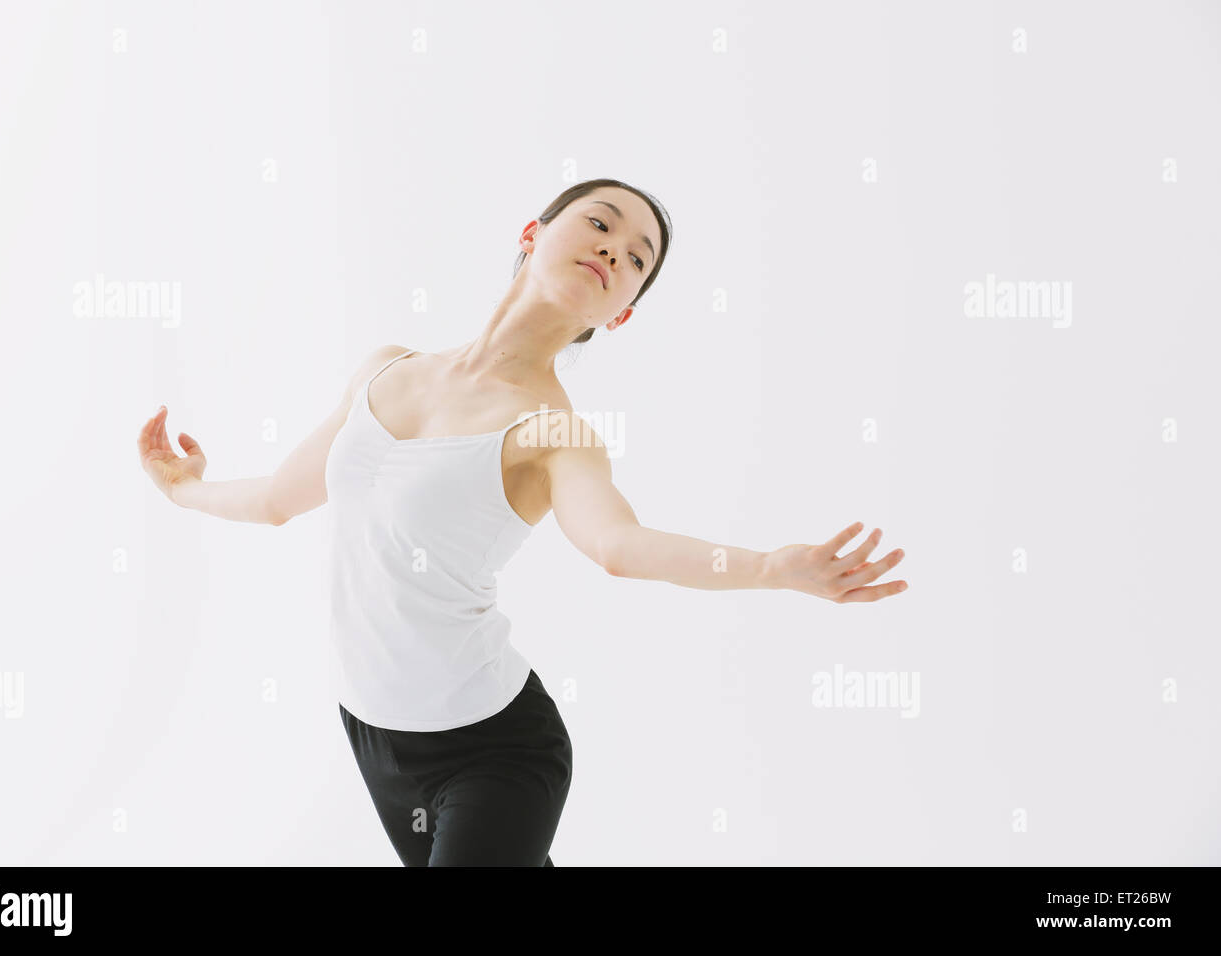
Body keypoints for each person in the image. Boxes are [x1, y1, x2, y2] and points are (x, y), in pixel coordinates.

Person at [136, 178, 910, 866]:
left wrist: (771, 568)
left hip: (496, 751)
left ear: (622, 314)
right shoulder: (385, 369)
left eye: (637, 259)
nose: (615, 250)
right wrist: (183, 492)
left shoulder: (553, 431)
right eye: (601, 224)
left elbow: (617, 545)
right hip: (371, 731)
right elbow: (277, 500)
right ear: (533, 236)